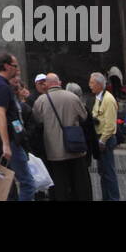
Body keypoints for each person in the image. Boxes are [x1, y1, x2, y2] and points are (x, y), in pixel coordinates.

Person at [0, 53, 37, 200]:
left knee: (7, 185)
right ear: (7, 66)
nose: (17, 69)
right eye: (15, 66)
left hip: (0, 139)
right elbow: (0, 113)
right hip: (9, 139)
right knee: (27, 183)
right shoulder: (2, 87)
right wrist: (6, 144)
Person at [33, 72, 91, 201]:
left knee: (59, 184)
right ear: (59, 82)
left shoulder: (41, 100)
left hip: (54, 151)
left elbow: (37, 121)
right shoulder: (73, 97)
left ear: (47, 84)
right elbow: (84, 116)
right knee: (79, 182)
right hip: (75, 147)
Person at [89, 71, 119, 201]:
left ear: (99, 84)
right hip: (100, 138)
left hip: (105, 139)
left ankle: (113, 198)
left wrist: (102, 141)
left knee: (109, 172)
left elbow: (110, 125)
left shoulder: (108, 99)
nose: (89, 85)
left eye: (92, 82)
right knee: (103, 172)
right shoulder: (98, 97)